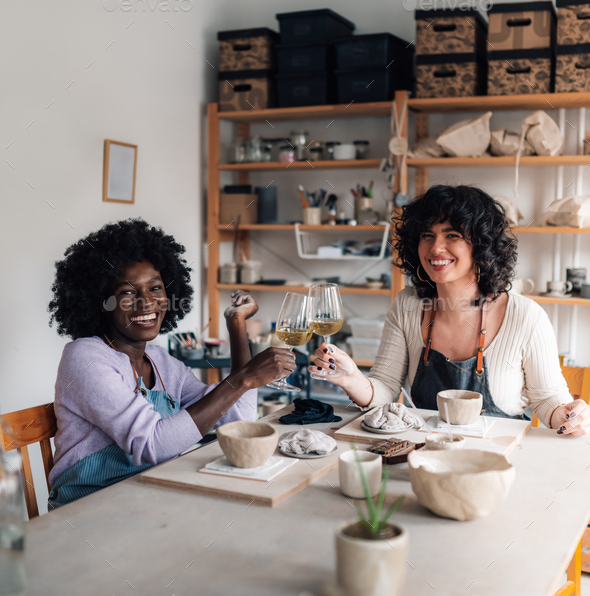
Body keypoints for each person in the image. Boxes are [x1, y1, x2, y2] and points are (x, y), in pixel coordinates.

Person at [47, 218, 295, 507]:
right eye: (127, 293)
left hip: (150, 495)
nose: (146, 302)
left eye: (155, 288)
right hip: (88, 509)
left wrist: (237, 325)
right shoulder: (85, 357)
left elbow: (238, 418)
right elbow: (151, 444)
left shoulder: (162, 363)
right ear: (102, 303)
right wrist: (244, 378)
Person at [310, 185, 590, 436]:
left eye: (452, 235)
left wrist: (569, 415)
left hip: (498, 464)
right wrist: (350, 377)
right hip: (422, 459)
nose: (436, 247)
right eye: (427, 235)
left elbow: (547, 399)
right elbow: (384, 389)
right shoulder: (408, 305)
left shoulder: (526, 316)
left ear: (481, 245)